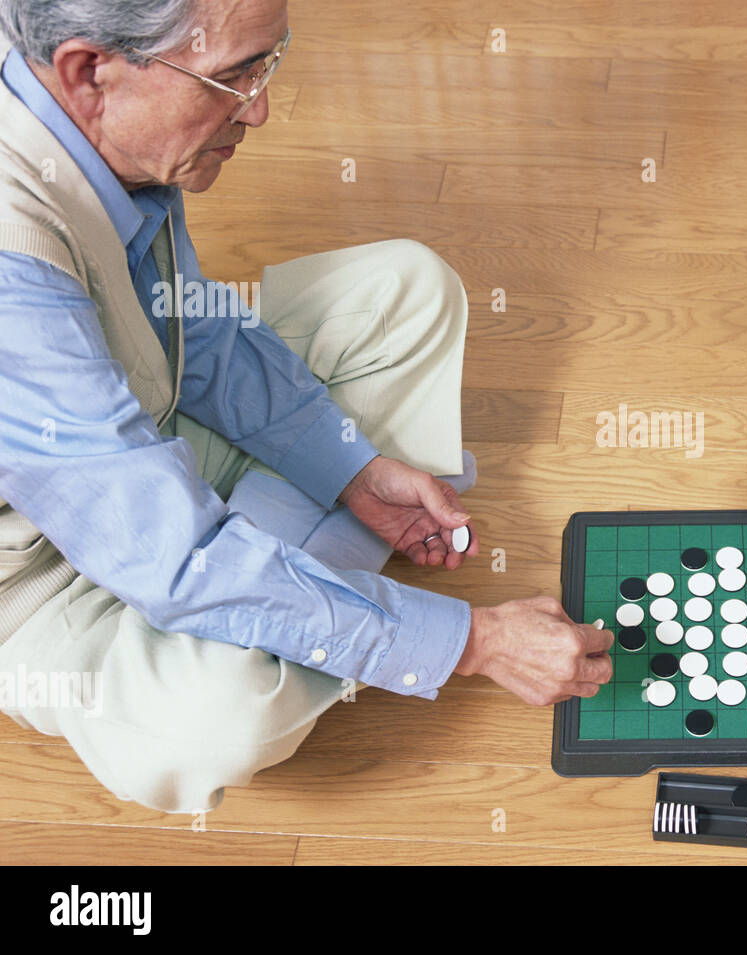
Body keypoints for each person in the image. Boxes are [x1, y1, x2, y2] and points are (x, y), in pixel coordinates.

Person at [0, 0, 612, 814]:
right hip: (36, 575)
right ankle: (272, 589)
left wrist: (350, 467)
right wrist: (471, 640)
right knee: (221, 715)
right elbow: (172, 557)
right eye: (229, 78)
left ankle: (283, 581)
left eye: (268, 60)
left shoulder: (100, 130)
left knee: (407, 289)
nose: (258, 107)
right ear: (88, 74)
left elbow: (192, 330)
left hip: (142, 428)